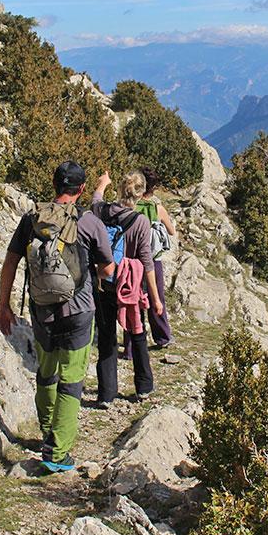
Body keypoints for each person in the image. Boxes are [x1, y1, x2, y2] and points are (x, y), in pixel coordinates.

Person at [0, 161, 113, 473]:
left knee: (46, 372)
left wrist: (3, 305)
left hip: (42, 311)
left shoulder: (32, 218)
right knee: (72, 378)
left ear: (55, 186)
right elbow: (107, 269)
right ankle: (57, 452)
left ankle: (47, 431)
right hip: (79, 310)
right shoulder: (88, 222)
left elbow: (10, 262)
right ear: (82, 189)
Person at [92, 170, 163, 407]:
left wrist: (102, 183)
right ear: (141, 194)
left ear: (120, 190)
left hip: (104, 283)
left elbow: (95, 199)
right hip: (130, 285)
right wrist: (155, 298)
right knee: (137, 333)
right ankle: (143, 386)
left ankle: (106, 393)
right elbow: (146, 261)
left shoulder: (102, 211)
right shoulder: (140, 222)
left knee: (106, 337)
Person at [135, 167, 176, 349]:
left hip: (133, 261)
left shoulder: (130, 207)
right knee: (156, 298)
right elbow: (171, 231)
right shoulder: (157, 209)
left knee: (134, 301)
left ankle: (133, 343)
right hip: (153, 261)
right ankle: (162, 338)